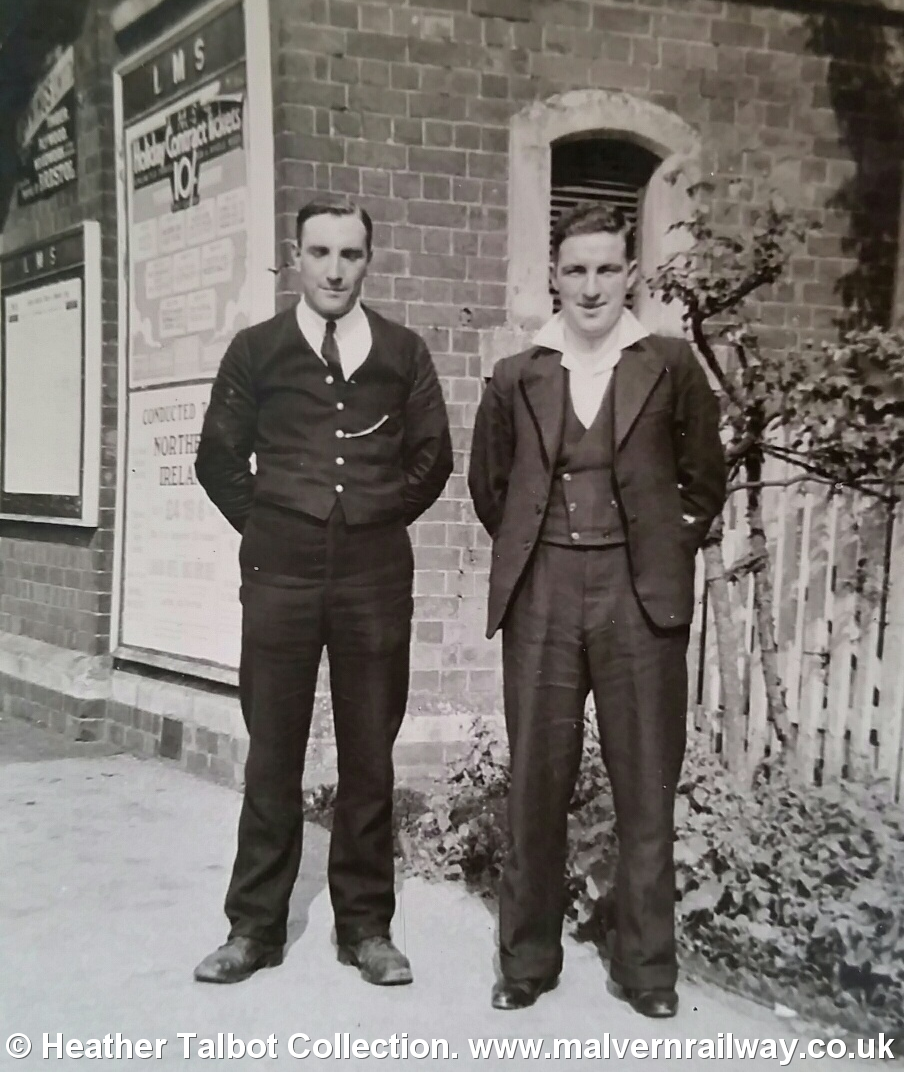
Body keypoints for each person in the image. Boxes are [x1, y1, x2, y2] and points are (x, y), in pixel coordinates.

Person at [468, 201, 726, 1018]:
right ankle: (527, 963)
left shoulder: (671, 365)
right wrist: (540, 551)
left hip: (637, 597)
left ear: (631, 276)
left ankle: (647, 970)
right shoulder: (517, 375)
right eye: (575, 270)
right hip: (543, 592)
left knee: (644, 784)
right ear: (554, 276)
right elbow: (492, 489)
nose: (590, 287)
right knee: (536, 783)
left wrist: (657, 551)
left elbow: (702, 482)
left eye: (607, 269)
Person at [192, 196, 453, 987]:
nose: (335, 269)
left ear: (369, 261)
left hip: (375, 576)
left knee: (369, 751)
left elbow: (432, 460)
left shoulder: (404, 353)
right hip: (280, 576)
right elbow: (217, 459)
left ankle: (366, 929)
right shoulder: (257, 350)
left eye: (350, 254)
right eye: (320, 253)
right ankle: (253, 928)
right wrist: (271, 525)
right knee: (273, 749)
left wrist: (370, 521)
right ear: (296, 258)